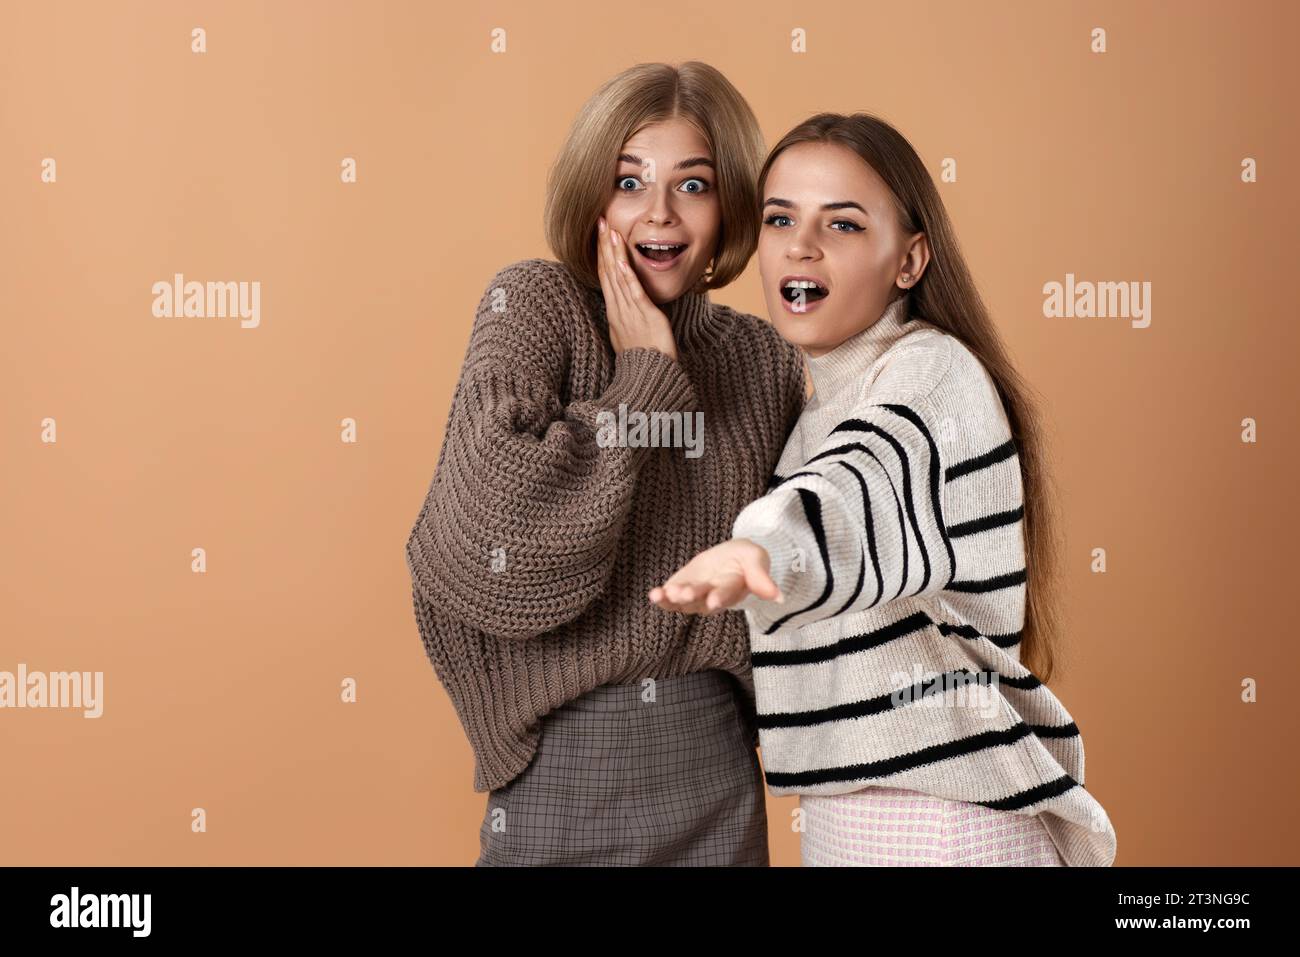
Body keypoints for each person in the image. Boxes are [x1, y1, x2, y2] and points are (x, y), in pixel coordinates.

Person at [651, 112, 1118, 867]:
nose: (801, 245)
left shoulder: (930, 375)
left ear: (909, 261)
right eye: (780, 218)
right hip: (855, 822)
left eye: (841, 224)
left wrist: (758, 546)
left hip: (942, 826)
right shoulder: (822, 408)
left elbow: (860, 486)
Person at [404, 62, 806, 865]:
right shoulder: (533, 306)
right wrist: (646, 374)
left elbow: (805, 551)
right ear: (594, 197)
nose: (658, 212)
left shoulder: (761, 359)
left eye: (693, 186)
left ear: (729, 204)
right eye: (630, 181)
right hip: (565, 766)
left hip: (715, 763)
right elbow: (494, 539)